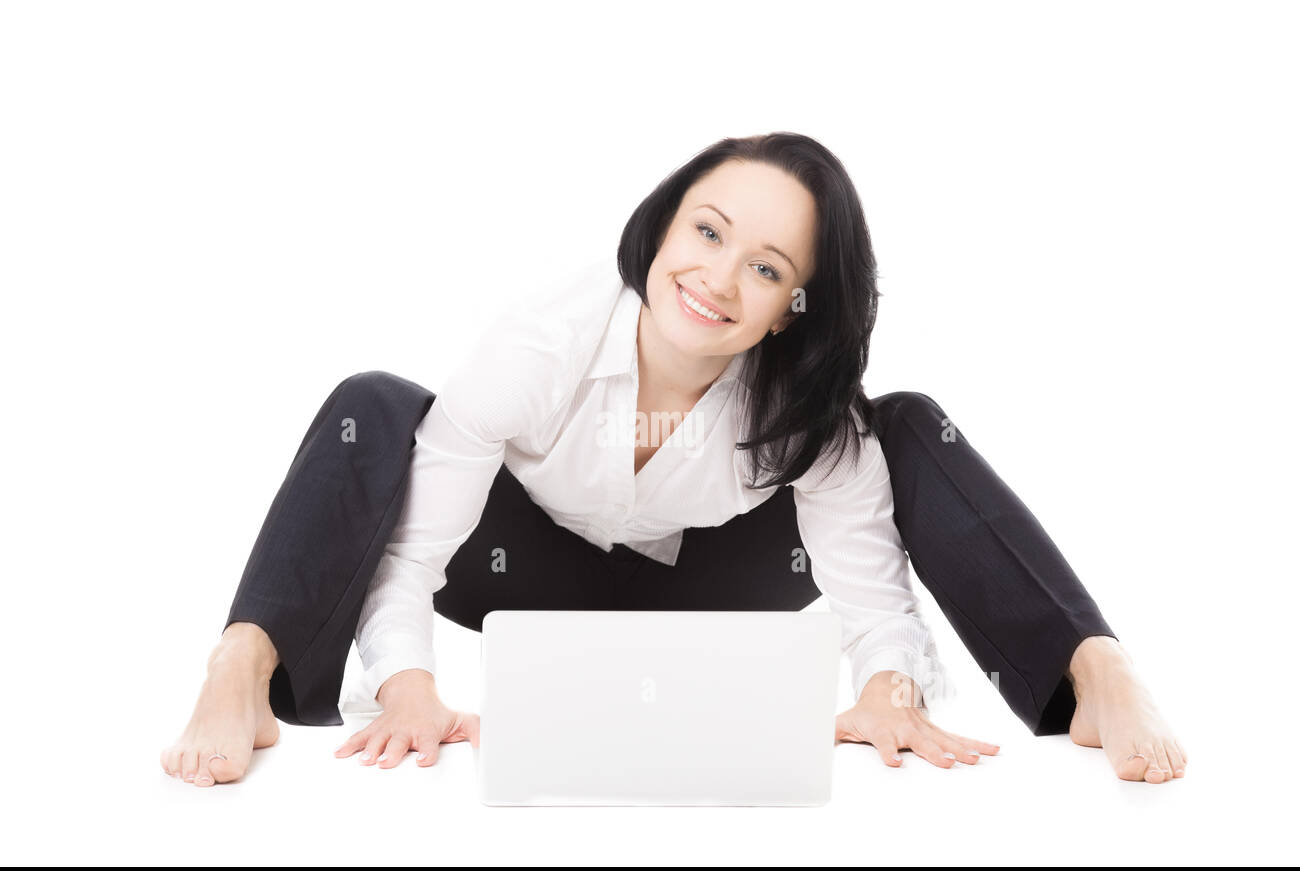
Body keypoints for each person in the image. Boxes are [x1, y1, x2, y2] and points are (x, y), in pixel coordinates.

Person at [160, 132, 1186, 788]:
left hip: (719, 583)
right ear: (666, 218)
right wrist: (406, 686)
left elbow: (873, 597)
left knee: (904, 422)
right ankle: (244, 665)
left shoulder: (803, 408)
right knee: (375, 404)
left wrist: (890, 689)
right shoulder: (538, 341)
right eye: (707, 230)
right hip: (512, 572)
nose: (715, 277)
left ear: (795, 305)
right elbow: (415, 551)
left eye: (767, 267)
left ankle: (1091, 668)